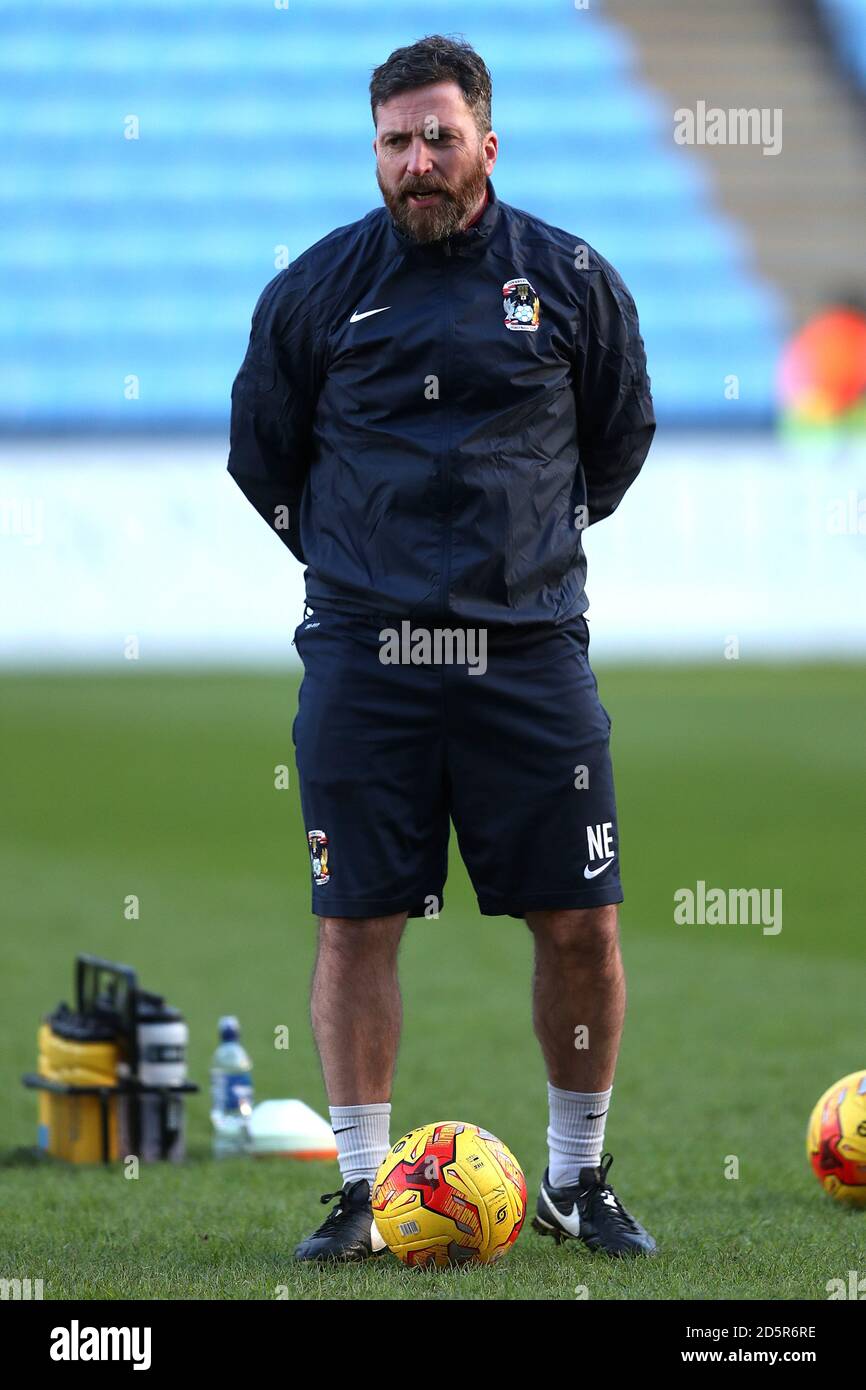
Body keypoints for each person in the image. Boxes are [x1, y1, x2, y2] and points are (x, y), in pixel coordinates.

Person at [228, 34, 656, 1262]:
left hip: (528, 656)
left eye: (438, 138)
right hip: (366, 660)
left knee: (581, 921)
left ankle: (574, 1177)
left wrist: (518, 560)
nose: (416, 162)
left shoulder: (568, 278)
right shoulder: (314, 290)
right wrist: (366, 579)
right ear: (375, 149)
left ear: (486, 141)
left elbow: (613, 443)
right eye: (395, 142)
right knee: (356, 922)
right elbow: (264, 462)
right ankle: (365, 1191)